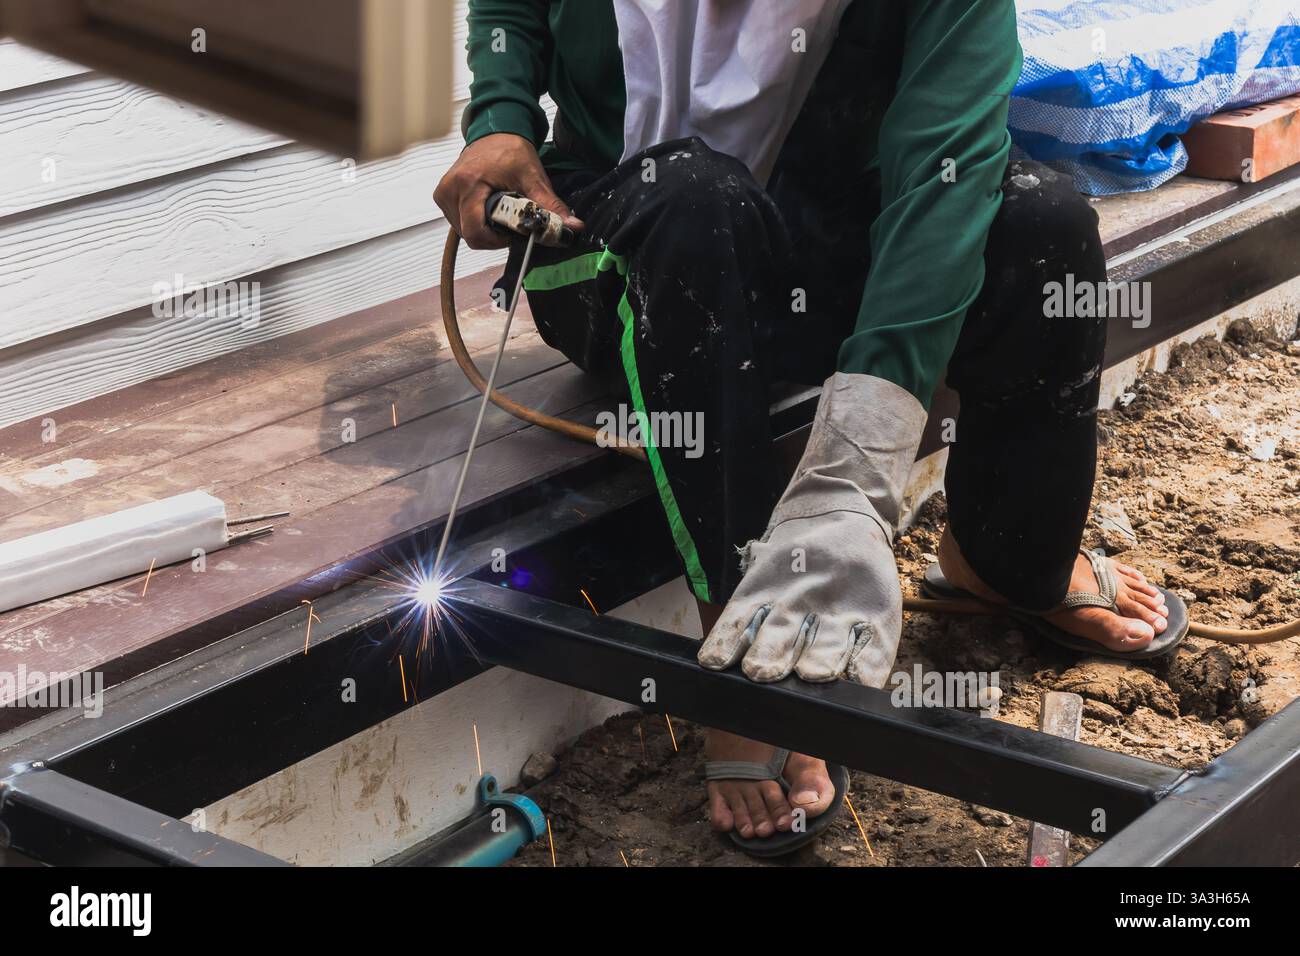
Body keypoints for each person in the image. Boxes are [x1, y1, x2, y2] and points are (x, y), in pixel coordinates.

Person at [435, 0, 1187, 854]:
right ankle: (748, 647)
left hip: (817, 233)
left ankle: (1005, 562)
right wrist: (499, 114)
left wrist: (852, 477)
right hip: (623, 244)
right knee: (691, 194)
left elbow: (946, 169)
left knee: (1041, 222)